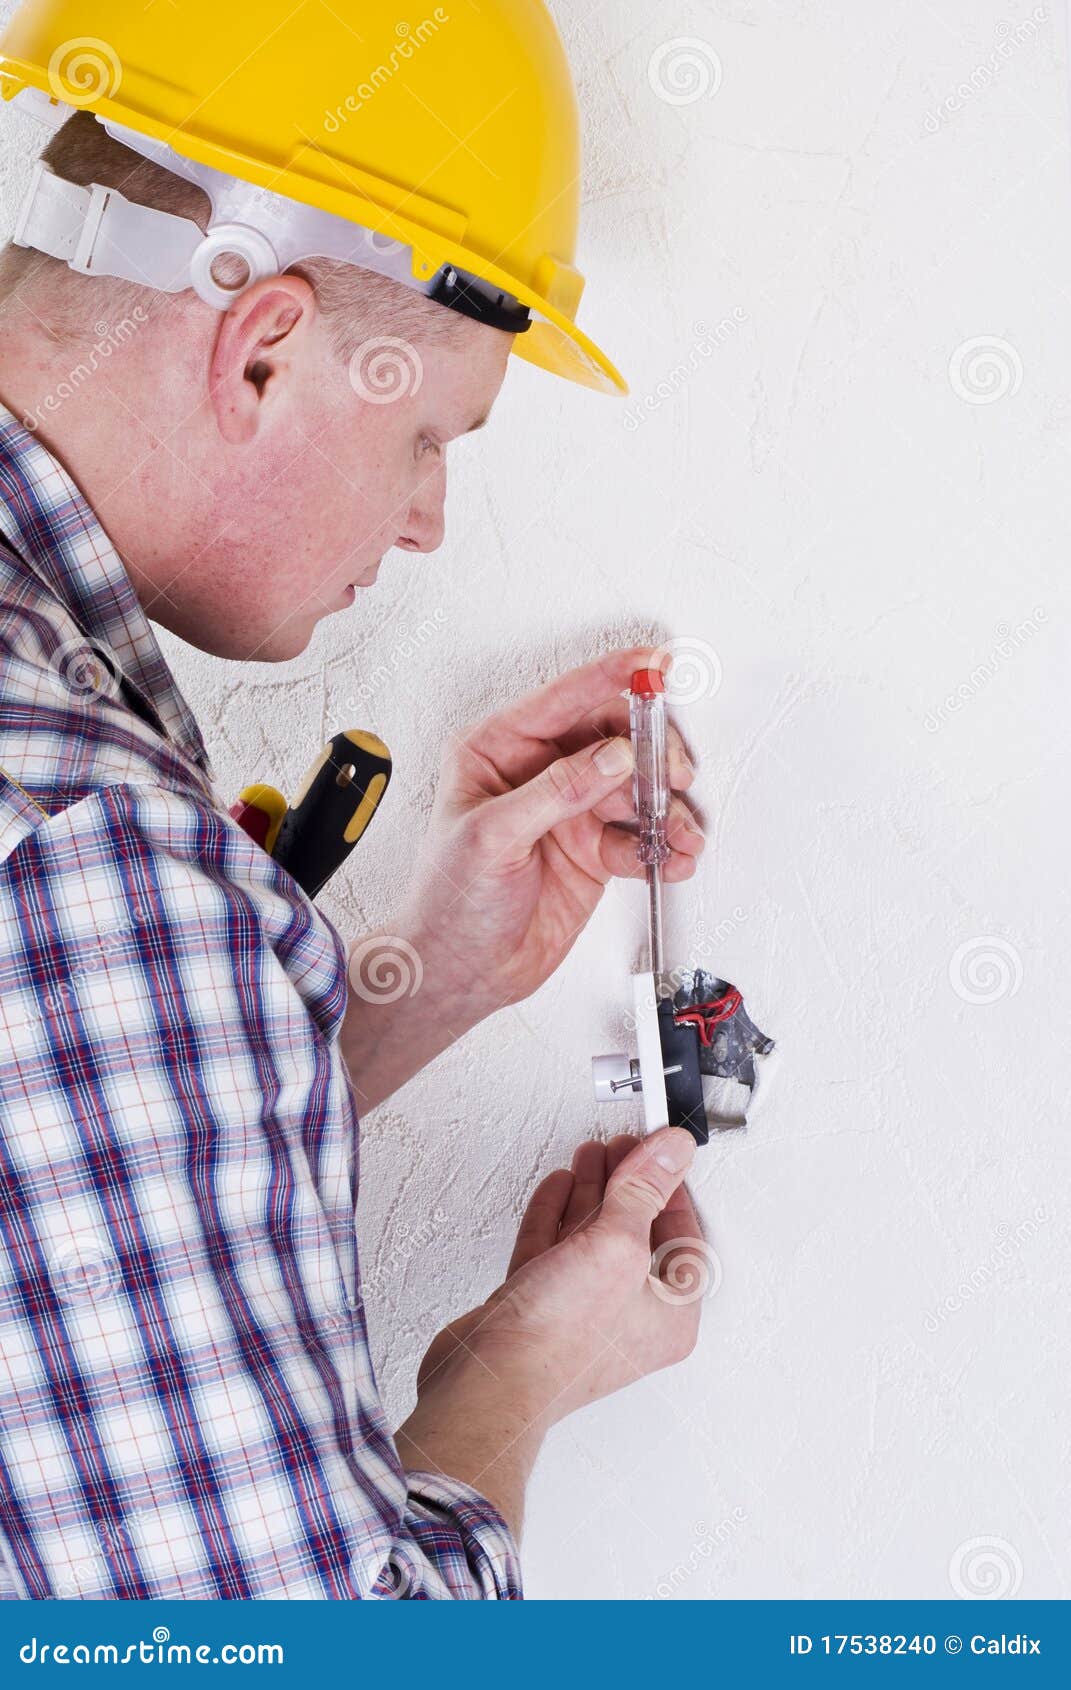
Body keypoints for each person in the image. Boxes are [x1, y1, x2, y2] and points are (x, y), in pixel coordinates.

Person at [0, 1, 708, 1600]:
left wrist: (402, 978)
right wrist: (513, 1371)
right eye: (426, 436)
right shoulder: (92, 862)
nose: (429, 521)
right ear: (262, 346)